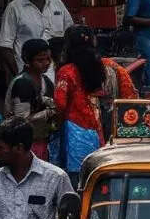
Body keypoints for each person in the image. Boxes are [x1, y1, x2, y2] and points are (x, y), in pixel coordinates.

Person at [54, 26, 137, 180]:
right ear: (93, 41)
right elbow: (129, 96)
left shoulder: (66, 71)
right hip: (110, 131)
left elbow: (60, 104)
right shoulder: (111, 66)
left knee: (78, 180)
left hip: (77, 131)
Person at [0, 0, 74, 82]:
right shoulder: (14, 8)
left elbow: (70, 32)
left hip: (56, 73)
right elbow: (4, 47)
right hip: (29, 74)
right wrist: (18, 76)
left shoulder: (55, 2)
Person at [3, 39, 56, 161]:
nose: (46, 63)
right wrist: (48, 112)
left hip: (39, 139)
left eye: (48, 59)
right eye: (40, 60)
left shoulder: (45, 81)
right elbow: (20, 119)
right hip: (21, 143)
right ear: (27, 60)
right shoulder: (22, 83)